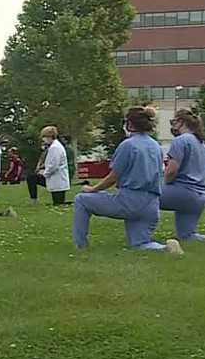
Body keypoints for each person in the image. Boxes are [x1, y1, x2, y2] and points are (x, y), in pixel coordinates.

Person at [72, 107, 181, 254]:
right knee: (140, 244)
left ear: (130, 124)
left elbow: (113, 176)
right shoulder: (155, 146)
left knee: (81, 200)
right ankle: (165, 248)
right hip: (151, 205)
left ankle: (81, 246)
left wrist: (93, 189)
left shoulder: (128, 145)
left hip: (130, 201)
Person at [159, 109, 205, 245]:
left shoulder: (180, 141)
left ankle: (142, 238)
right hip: (199, 197)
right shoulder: (201, 144)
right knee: (187, 236)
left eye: (173, 122)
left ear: (181, 122)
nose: (172, 125)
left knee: (144, 195)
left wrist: (163, 184)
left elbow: (171, 171)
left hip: (181, 192)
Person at [27, 126, 71, 205]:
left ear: (49, 136)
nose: (43, 139)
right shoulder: (55, 146)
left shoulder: (55, 148)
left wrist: (44, 173)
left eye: (44, 137)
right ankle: (34, 199)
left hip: (57, 179)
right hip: (56, 179)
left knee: (58, 203)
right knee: (58, 202)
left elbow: (53, 165)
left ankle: (34, 200)